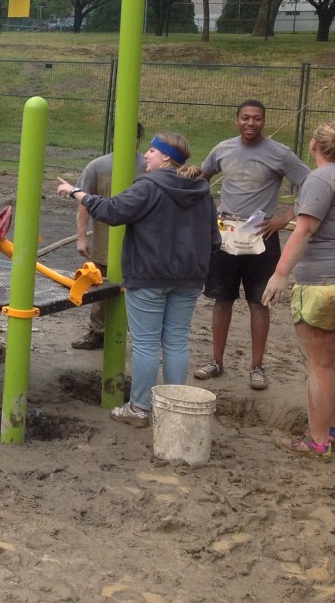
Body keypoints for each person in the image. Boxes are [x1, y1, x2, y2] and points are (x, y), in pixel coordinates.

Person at [56, 133, 218, 427]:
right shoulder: (201, 190)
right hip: (189, 278)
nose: (146, 156)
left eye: (152, 151)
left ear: (166, 158)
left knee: (145, 343)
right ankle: (174, 406)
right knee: (176, 341)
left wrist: (75, 192)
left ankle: (140, 408)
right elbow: (213, 240)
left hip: (149, 276)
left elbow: (112, 211)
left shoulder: (149, 186)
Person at [261, 121, 335, 460]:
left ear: (314, 145)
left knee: (319, 365)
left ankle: (318, 441)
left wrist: (280, 274)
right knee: (330, 359)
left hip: (326, 283)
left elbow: (304, 230)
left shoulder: (319, 180)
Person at [193, 99, 310, 390]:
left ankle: (257, 367)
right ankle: (216, 361)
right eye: (245, 118)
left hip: (262, 236)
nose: (250, 123)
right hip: (226, 235)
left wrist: (284, 219)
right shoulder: (223, 149)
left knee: (259, 302)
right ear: (236, 120)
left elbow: (310, 184)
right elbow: (202, 179)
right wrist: (204, 214)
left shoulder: (280, 153)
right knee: (222, 299)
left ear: (264, 121)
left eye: (256, 118)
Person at [71, 122, 147, 349]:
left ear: (138, 139)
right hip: (105, 243)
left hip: (140, 245)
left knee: (137, 290)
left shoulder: (148, 166)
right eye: (122, 135)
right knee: (101, 288)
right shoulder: (98, 167)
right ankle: (97, 332)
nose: (127, 140)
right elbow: (83, 203)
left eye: (133, 136)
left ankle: (128, 334)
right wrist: (81, 237)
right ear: (113, 137)